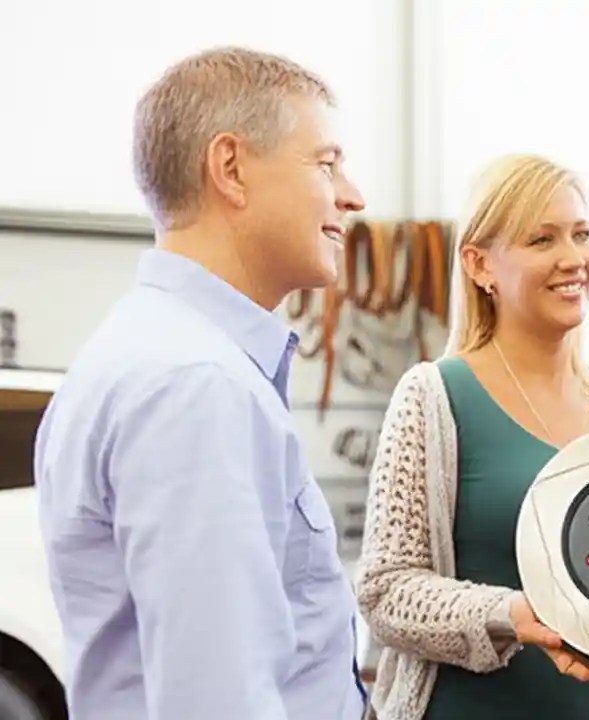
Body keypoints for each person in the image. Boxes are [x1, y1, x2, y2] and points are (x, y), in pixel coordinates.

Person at [34, 47, 368, 720]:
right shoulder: (195, 387)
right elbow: (218, 699)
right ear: (231, 169)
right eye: (325, 163)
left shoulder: (150, 354)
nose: (351, 195)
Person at [354, 154, 589, 720]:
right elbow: (385, 590)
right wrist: (512, 615)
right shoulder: (434, 396)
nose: (573, 258)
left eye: (581, 234)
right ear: (479, 265)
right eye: (542, 239)